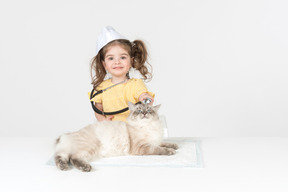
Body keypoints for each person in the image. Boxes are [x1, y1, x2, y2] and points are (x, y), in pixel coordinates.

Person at [89, 26, 154, 122]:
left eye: (122, 57)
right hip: (112, 131)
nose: (117, 62)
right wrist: (103, 121)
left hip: (132, 130)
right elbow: (98, 110)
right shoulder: (101, 88)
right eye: (111, 58)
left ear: (131, 61)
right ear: (104, 64)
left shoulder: (135, 84)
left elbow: (142, 94)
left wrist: (145, 98)